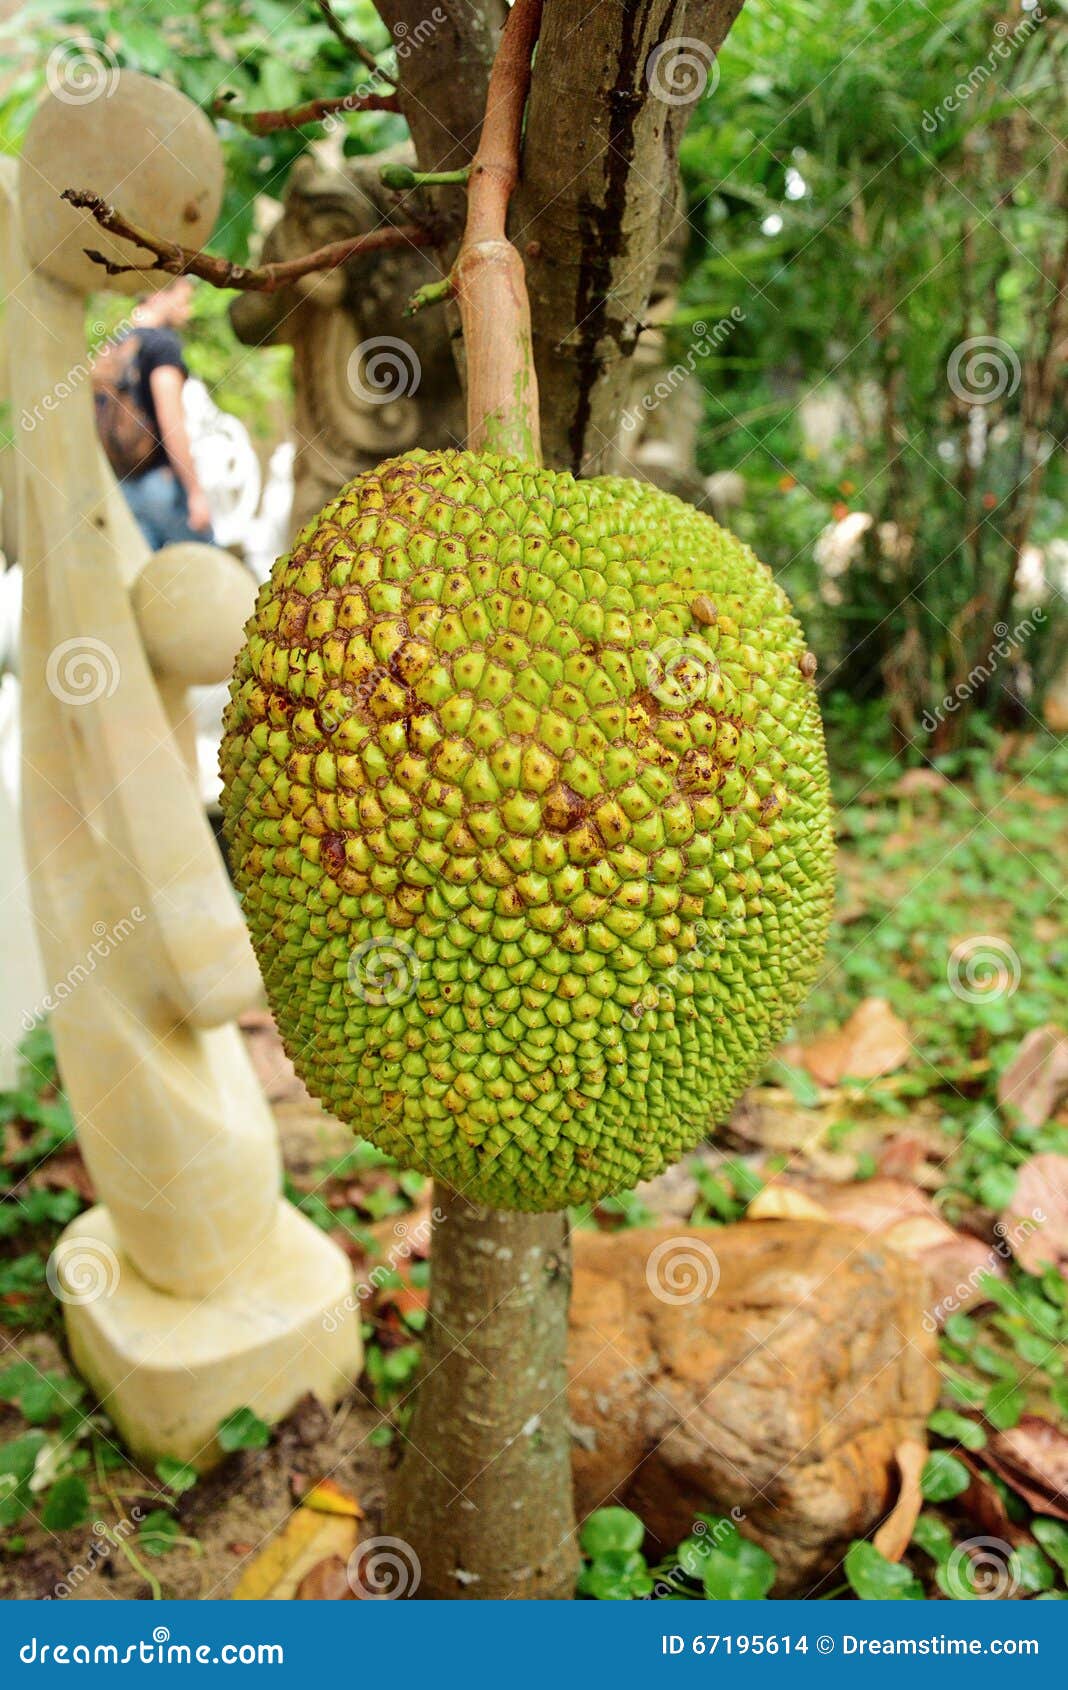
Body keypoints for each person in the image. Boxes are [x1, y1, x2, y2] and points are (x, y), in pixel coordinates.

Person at [97, 277, 215, 549]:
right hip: (162, 487)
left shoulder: (116, 343)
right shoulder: (162, 346)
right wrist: (196, 493)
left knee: (151, 580)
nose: (189, 310)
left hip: (124, 487)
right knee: (210, 572)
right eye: (184, 300)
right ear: (160, 292)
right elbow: (171, 420)